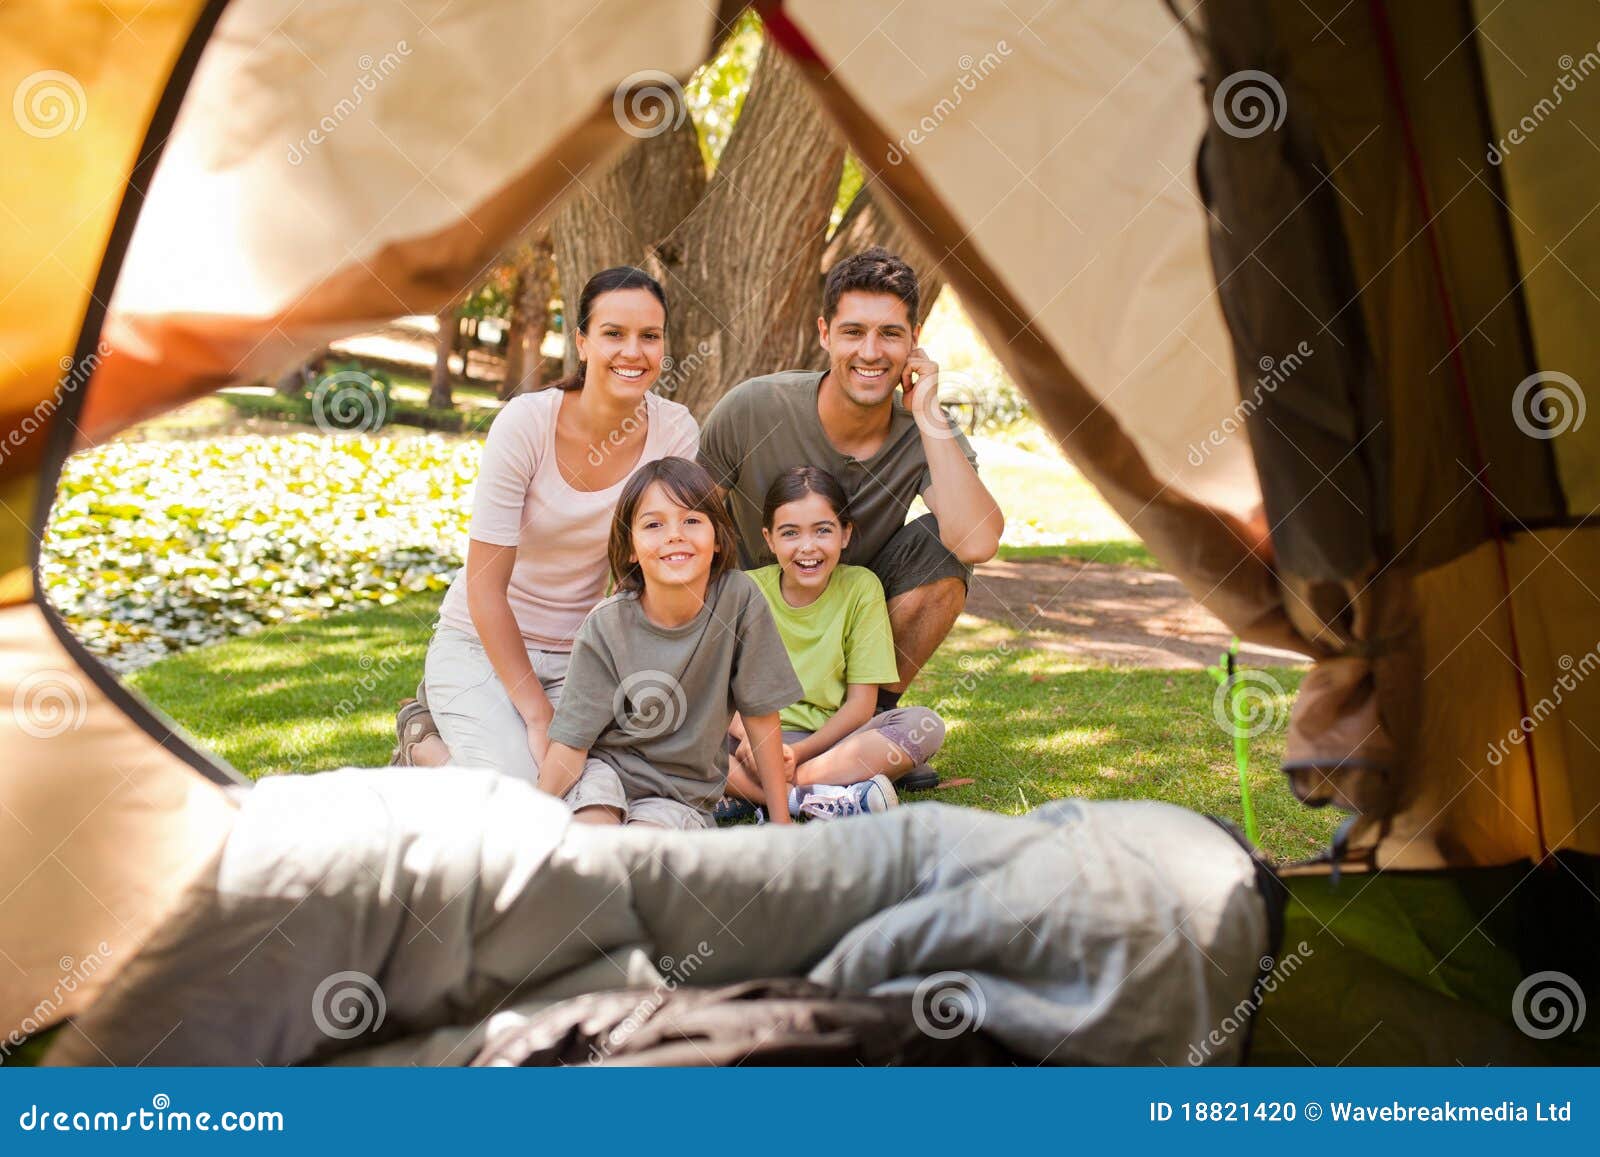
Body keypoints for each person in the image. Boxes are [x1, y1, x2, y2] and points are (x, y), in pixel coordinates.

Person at [697, 247, 1003, 788]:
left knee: (944, 545)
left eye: (890, 333)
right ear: (824, 333)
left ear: (914, 340)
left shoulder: (926, 429)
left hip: (853, 620)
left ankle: (845, 740)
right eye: (853, 331)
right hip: (750, 627)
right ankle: (812, 771)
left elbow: (976, 540)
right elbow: (690, 527)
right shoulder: (753, 409)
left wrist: (929, 411)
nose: (871, 351)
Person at [394, 266, 699, 780]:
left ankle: (434, 755)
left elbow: (655, 576)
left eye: (649, 336)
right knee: (515, 787)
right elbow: (484, 588)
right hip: (481, 645)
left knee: (591, 790)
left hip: (583, 657)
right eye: (613, 334)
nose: (633, 352)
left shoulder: (674, 431)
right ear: (581, 342)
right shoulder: (525, 423)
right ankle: (424, 743)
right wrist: (539, 715)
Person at [537, 457, 803, 828]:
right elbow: (573, 743)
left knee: (636, 861)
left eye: (691, 520)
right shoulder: (606, 625)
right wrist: (528, 819)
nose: (675, 534)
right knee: (591, 847)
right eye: (653, 524)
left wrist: (781, 822)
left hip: (682, 792)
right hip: (605, 772)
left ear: (717, 539)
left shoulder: (740, 600)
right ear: (630, 547)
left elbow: (760, 716)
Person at [723, 466, 947, 822]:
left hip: (826, 744)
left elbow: (861, 706)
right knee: (678, 733)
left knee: (925, 725)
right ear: (769, 539)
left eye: (823, 530)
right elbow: (718, 692)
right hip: (749, 739)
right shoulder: (744, 590)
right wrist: (754, 743)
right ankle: (809, 798)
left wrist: (794, 755)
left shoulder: (861, 588)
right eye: (790, 533)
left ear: (845, 534)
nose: (807, 547)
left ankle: (760, 792)